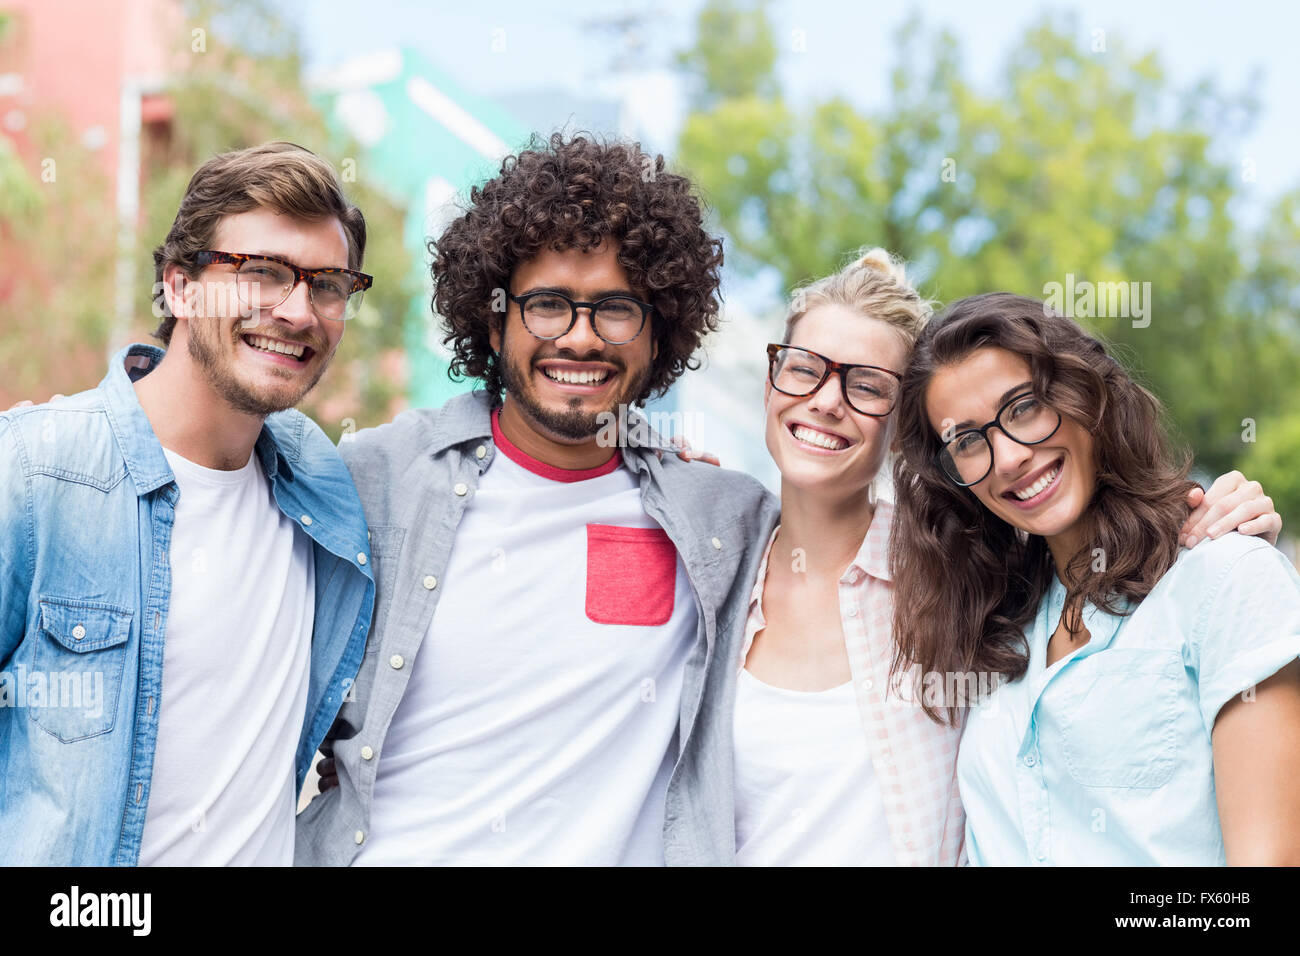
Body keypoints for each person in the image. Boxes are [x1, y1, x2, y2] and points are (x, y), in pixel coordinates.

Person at [691, 252, 1280, 866]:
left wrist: (1233, 531)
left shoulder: (967, 581)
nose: (1008, 457)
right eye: (968, 440)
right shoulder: (701, 564)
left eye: (867, 385)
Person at [299, 133, 780, 865]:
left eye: (616, 310)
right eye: (548, 305)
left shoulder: (723, 523)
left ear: (660, 337)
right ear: (494, 323)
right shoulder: (377, 479)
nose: (580, 339)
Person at [0, 142, 375, 865]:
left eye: (327, 284)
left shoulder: (327, 494)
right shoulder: (34, 472)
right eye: (262, 273)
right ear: (180, 287)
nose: (298, 312)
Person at [891, 292, 1300, 865]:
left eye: (1024, 407)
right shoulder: (996, 632)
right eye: (966, 441)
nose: (1007, 457)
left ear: (1084, 392)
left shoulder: (1226, 576)